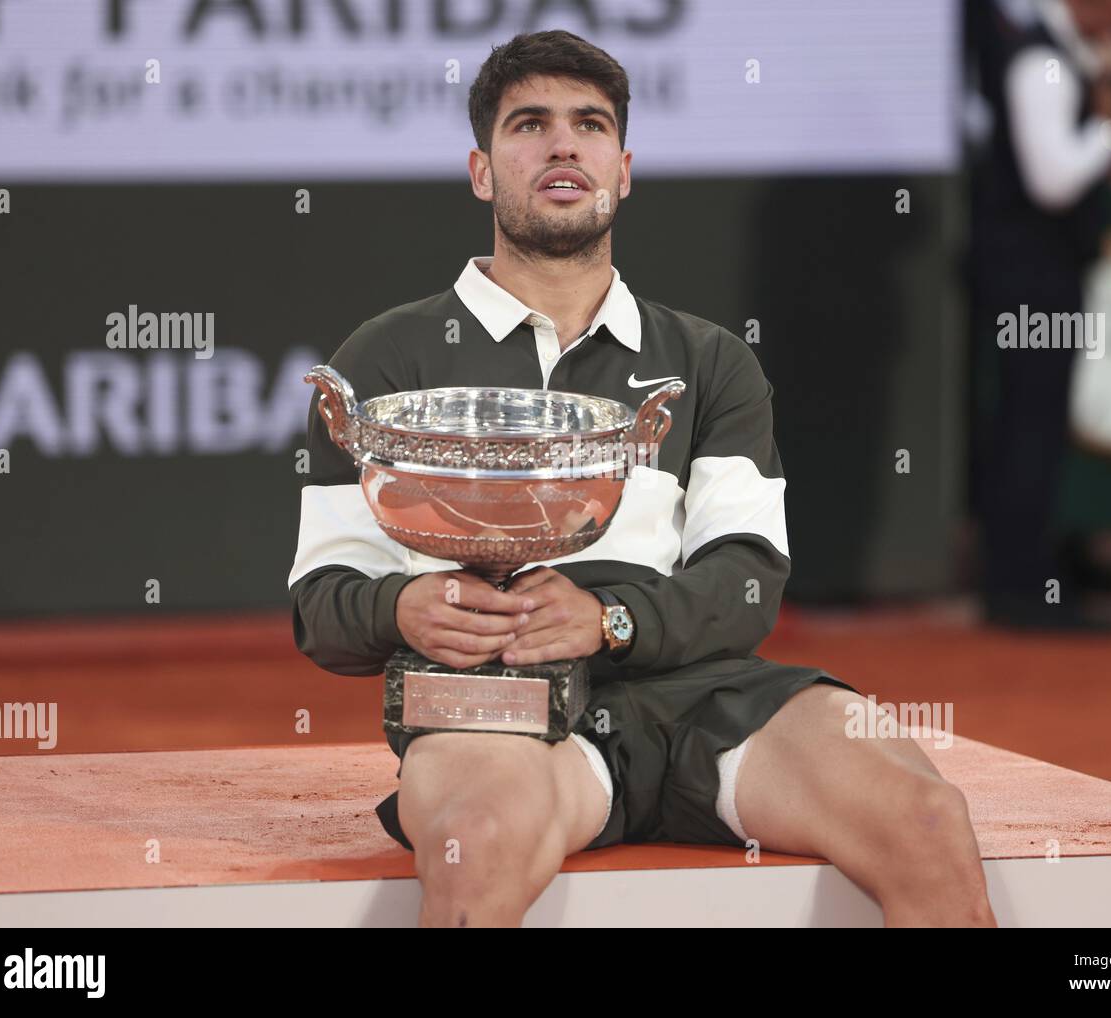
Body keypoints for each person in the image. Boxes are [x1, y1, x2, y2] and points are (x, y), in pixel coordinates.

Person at [288, 30, 995, 928]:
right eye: (529, 124)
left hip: (702, 695)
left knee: (927, 815)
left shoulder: (708, 362)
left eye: (589, 125)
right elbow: (322, 605)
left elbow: (746, 581)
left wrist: (612, 620)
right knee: (477, 843)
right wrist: (402, 610)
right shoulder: (386, 360)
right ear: (480, 170)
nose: (561, 145)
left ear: (622, 170)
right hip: (500, 704)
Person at [967, 0, 1111, 630]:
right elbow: (1053, 181)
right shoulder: (1042, 62)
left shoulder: (1064, 58)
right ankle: (1020, 588)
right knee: (1028, 426)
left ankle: (1032, 574)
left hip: (1042, 274)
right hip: (1029, 279)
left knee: (1035, 423)